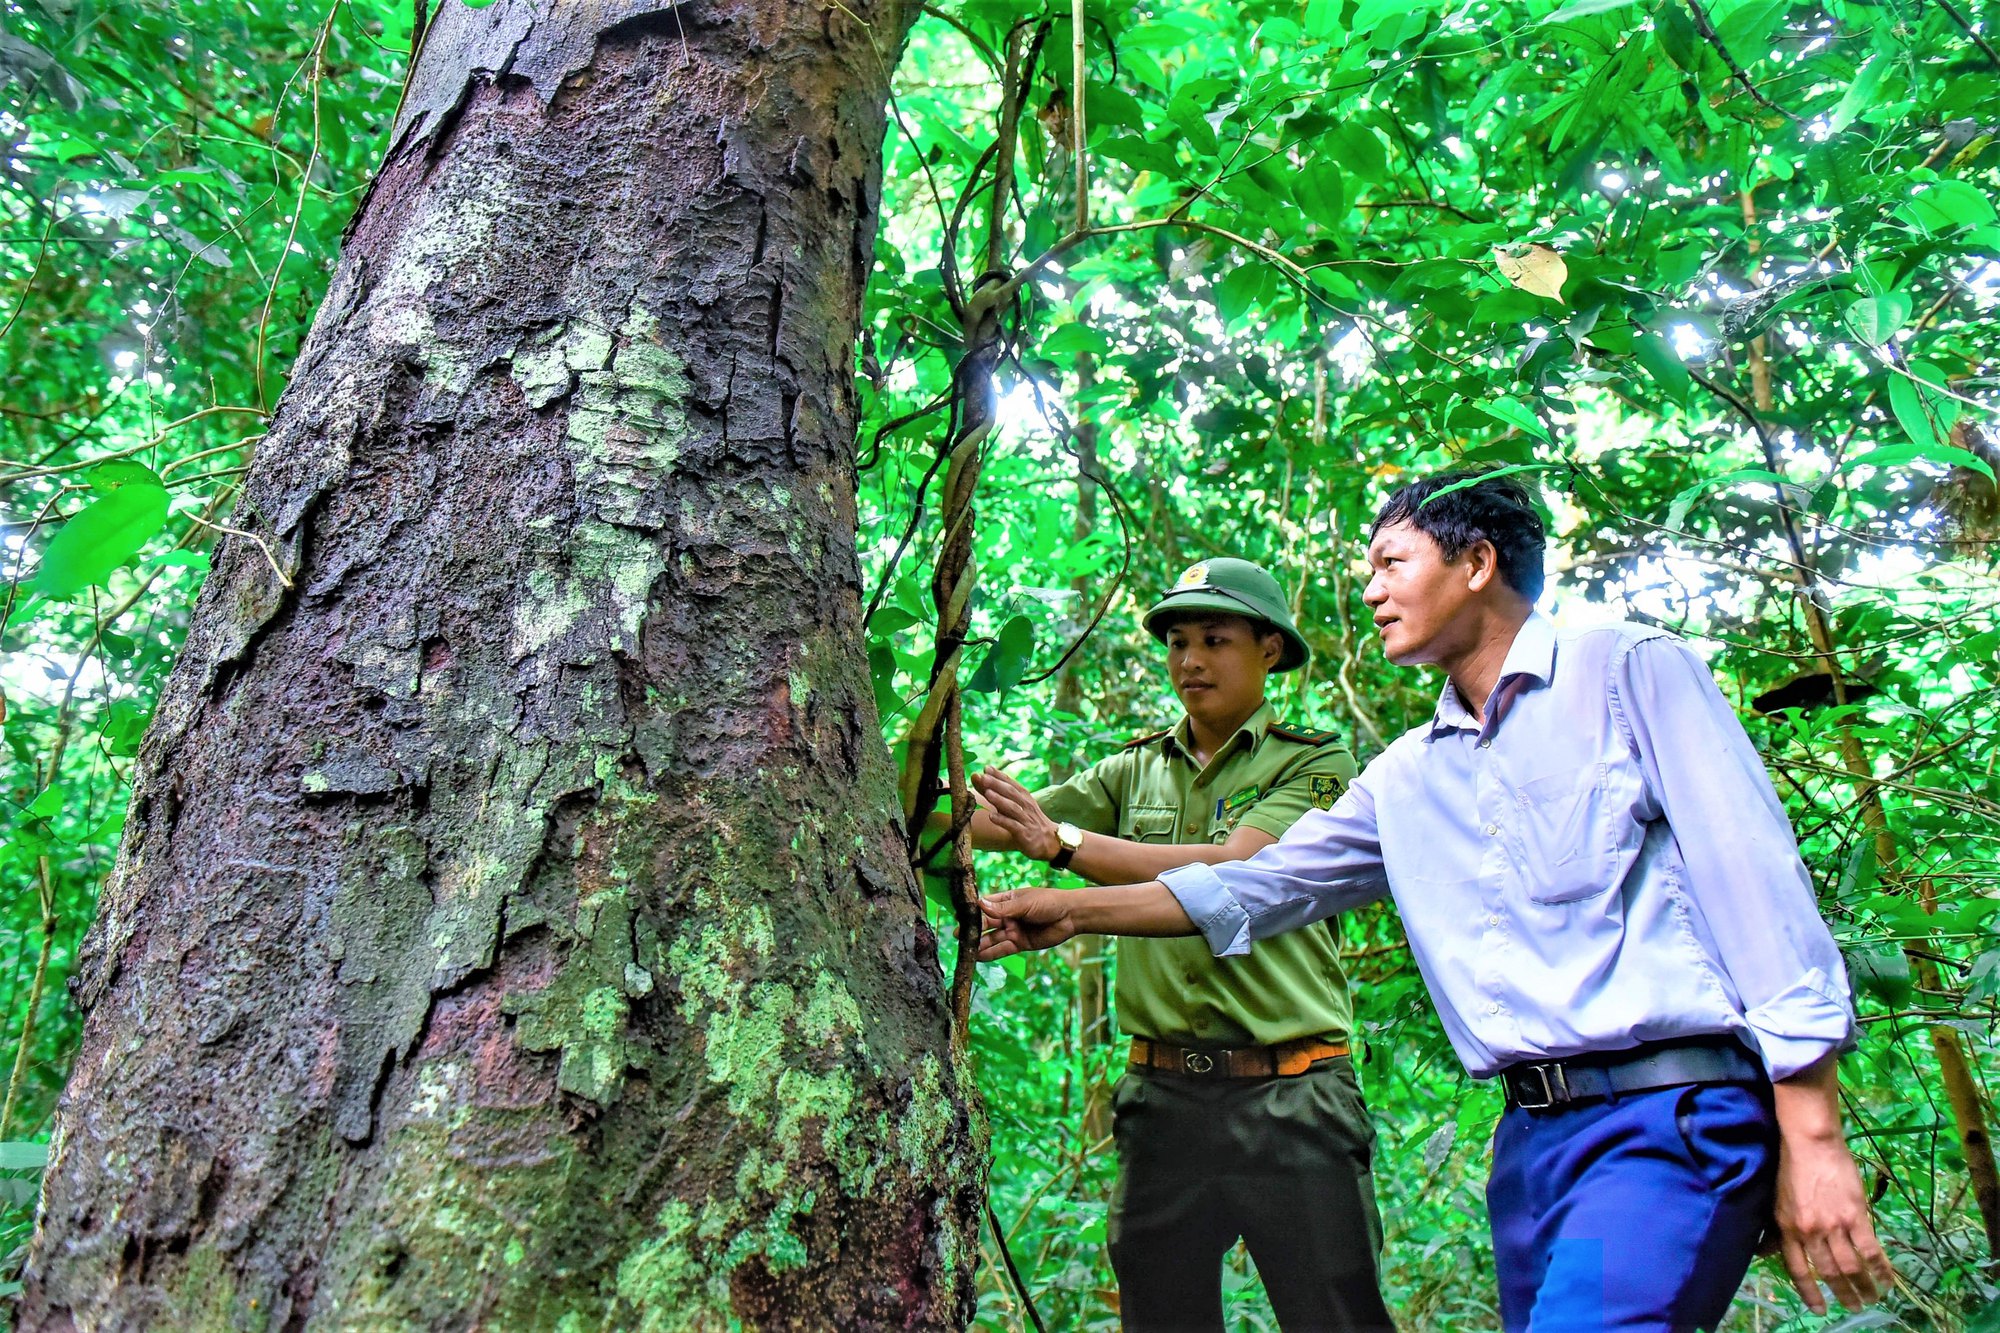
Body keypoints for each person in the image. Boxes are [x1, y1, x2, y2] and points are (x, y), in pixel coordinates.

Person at [978, 473, 1894, 1330]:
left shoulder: (1627, 670)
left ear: (1476, 563)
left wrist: (1810, 1130)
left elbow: (1756, 881)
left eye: (1390, 563)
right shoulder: (1410, 773)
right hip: (1531, 1142)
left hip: (1670, 1109)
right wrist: (1073, 909)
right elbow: (1261, 886)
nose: (1371, 590)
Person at [966, 557, 1395, 1331]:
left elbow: (1242, 868)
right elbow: (1005, 821)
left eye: (1214, 639)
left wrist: (1063, 848)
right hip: (1163, 1099)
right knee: (1162, 1317)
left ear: (1269, 648)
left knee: (1335, 1314)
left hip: (1292, 1092)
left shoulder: (1314, 761)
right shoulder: (1135, 769)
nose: (1190, 660)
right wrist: (890, 776)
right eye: (1177, 641)